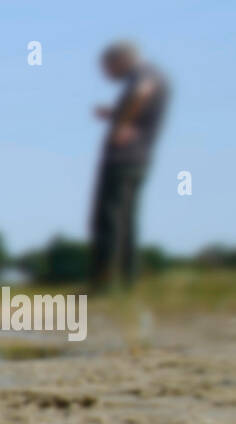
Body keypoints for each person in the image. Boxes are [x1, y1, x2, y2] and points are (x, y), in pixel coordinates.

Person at [90, 42, 169, 291]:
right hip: (138, 158)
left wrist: (122, 123)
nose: (108, 74)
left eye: (108, 67)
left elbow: (141, 92)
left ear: (121, 59)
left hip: (124, 159)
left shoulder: (143, 75)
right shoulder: (154, 74)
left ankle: (105, 284)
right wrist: (116, 114)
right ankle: (126, 282)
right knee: (126, 221)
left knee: (109, 220)